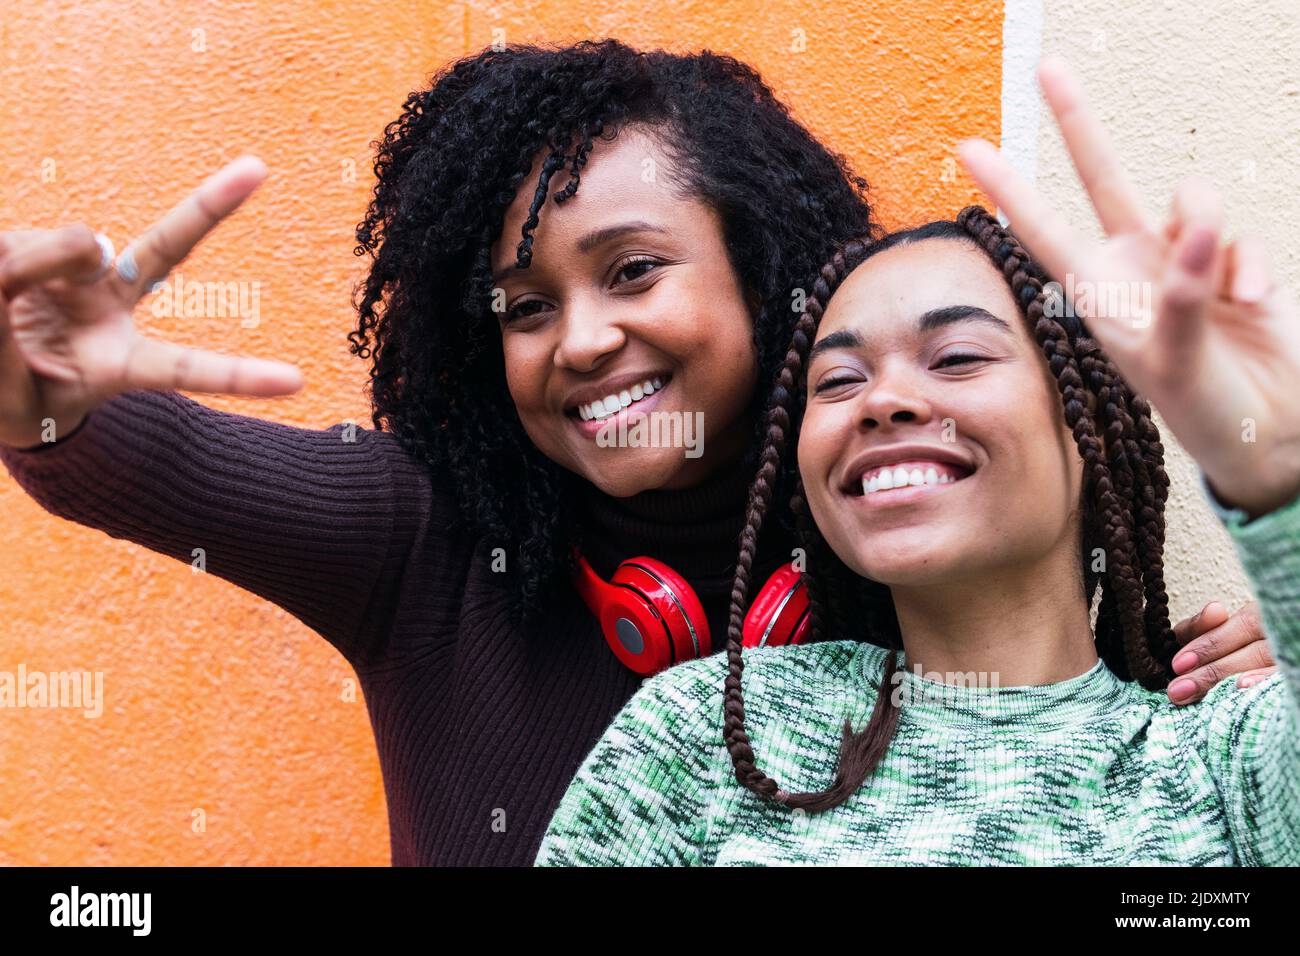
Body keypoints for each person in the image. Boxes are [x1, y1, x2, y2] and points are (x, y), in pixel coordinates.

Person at [0, 44, 1271, 867]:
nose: (583, 338)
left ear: (768, 277)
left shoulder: (912, 518)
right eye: (525, 304)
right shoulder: (425, 529)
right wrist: (38, 393)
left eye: (632, 270)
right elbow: (119, 451)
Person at [535, 58, 1300, 866]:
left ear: (1091, 436)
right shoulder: (711, 735)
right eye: (837, 380)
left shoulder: (1226, 754)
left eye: (958, 357)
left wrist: (1275, 476)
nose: (881, 401)